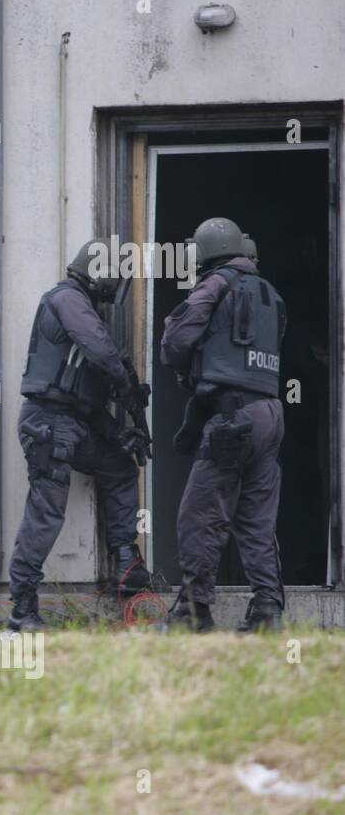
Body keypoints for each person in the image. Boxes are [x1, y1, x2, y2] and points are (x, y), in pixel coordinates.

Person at [2, 237, 153, 631]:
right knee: (46, 513)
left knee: (120, 466)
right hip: (48, 423)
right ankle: (22, 611)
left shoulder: (84, 310)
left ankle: (126, 564)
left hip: (70, 422)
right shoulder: (67, 299)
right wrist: (125, 384)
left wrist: (123, 431)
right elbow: (102, 352)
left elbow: (87, 400)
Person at [162, 218, 287, 632]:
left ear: (205, 251)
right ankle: (268, 611)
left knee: (199, 514)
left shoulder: (217, 283)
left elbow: (177, 338)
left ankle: (192, 614)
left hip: (232, 417)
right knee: (257, 519)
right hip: (270, 414)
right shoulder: (271, 293)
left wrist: (189, 370)